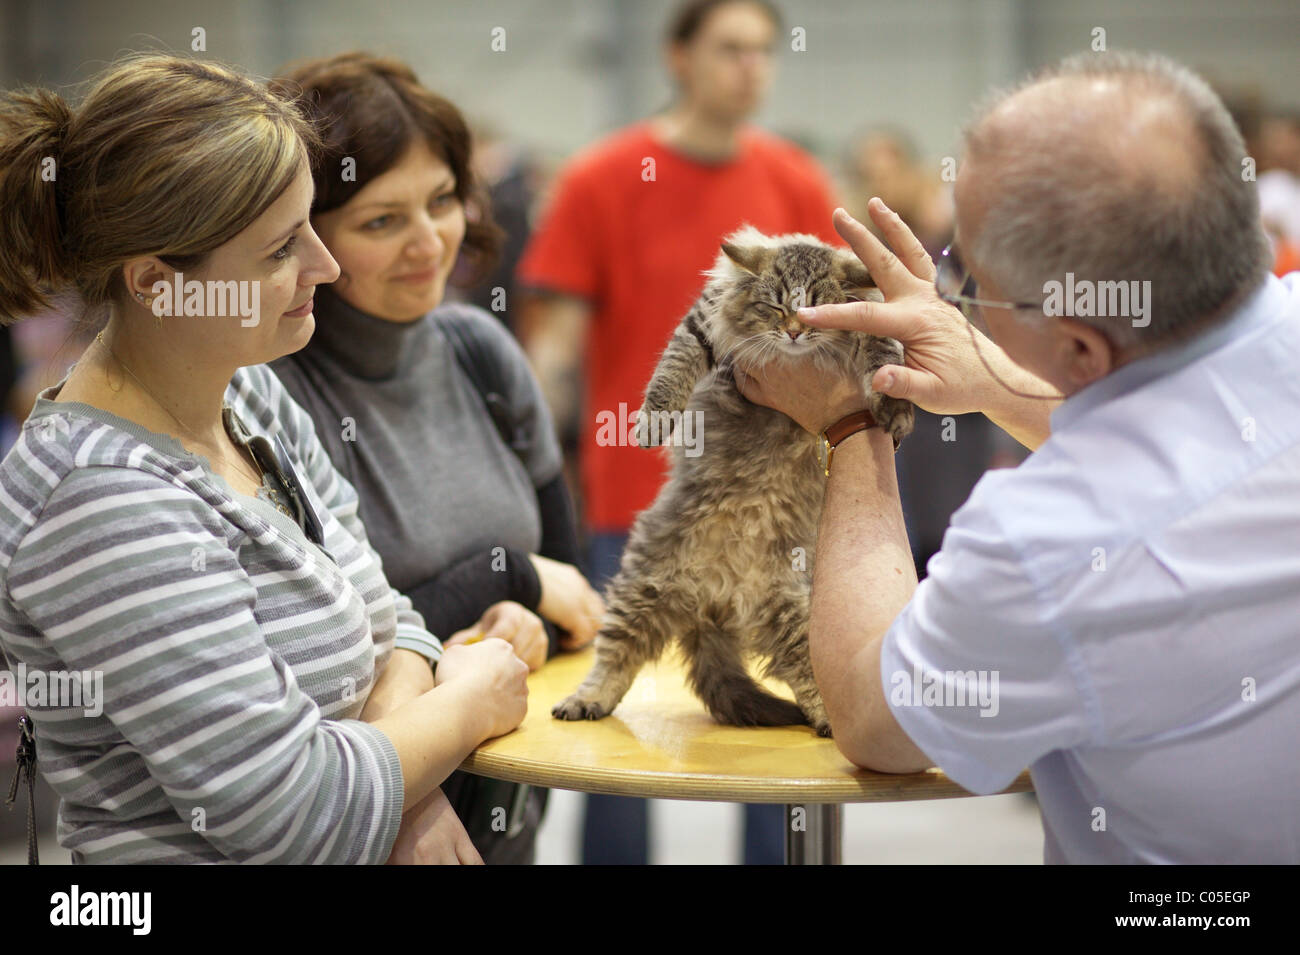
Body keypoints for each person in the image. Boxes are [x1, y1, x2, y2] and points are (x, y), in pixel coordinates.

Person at [737, 50, 1300, 863]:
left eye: (974, 285)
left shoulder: (1049, 540)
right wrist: (998, 378)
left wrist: (851, 422)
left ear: (1077, 341)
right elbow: (1183, 445)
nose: (964, 302)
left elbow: (872, 717)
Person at [0, 53, 530, 864]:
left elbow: (395, 625)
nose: (324, 265)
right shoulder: (98, 501)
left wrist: (403, 793)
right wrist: (467, 707)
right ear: (157, 283)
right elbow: (291, 813)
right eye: (281, 249)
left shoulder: (248, 395)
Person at [516, 0, 842, 867]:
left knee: (777, 740)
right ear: (679, 56)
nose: (752, 68)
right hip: (644, 493)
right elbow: (556, 341)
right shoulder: (600, 177)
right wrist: (532, 457)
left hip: (774, 500)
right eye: (731, 48)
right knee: (619, 733)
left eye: (765, 51)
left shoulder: (796, 179)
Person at [265, 52, 604, 864]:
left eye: (444, 201)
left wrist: (522, 616)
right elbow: (319, 650)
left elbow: (573, 592)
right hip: (360, 818)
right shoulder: (267, 392)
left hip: (506, 796)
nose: (429, 244)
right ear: (304, 235)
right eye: (382, 221)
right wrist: (512, 577)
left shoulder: (479, 350)